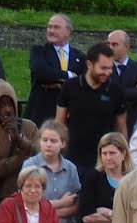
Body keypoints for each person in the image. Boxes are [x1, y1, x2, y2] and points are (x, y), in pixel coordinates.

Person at [52, 43, 123, 173]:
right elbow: (59, 123)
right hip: (73, 158)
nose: (108, 73)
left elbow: (121, 127)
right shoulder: (70, 87)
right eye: (103, 68)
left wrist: (122, 156)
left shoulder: (115, 90)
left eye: (110, 68)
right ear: (90, 64)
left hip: (104, 159)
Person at [0, 79, 39, 206]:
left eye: (10, 105)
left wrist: (19, 140)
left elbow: (39, 157)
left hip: (30, 195)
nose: (7, 110)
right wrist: (22, 157)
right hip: (1, 197)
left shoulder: (29, 126)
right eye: (1, 105)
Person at [27, 13, 79, 129]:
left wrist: (56, 82)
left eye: (56, 27)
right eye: (50, 27)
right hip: (42, 115)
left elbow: (82, 80)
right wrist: (69, 75)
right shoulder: (39, 51)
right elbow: (41, 73)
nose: (51, 30)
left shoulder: (80, 57)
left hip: (70, 119)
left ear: (68, 32)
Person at [107, 30, 137, 130]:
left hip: (133, 120)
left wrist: (115, 91)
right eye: (108, 44)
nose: (110, 48)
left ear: (127, 47)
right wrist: (134, 91)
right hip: (108, 119)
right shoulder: (104, 69)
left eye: (115, 44)